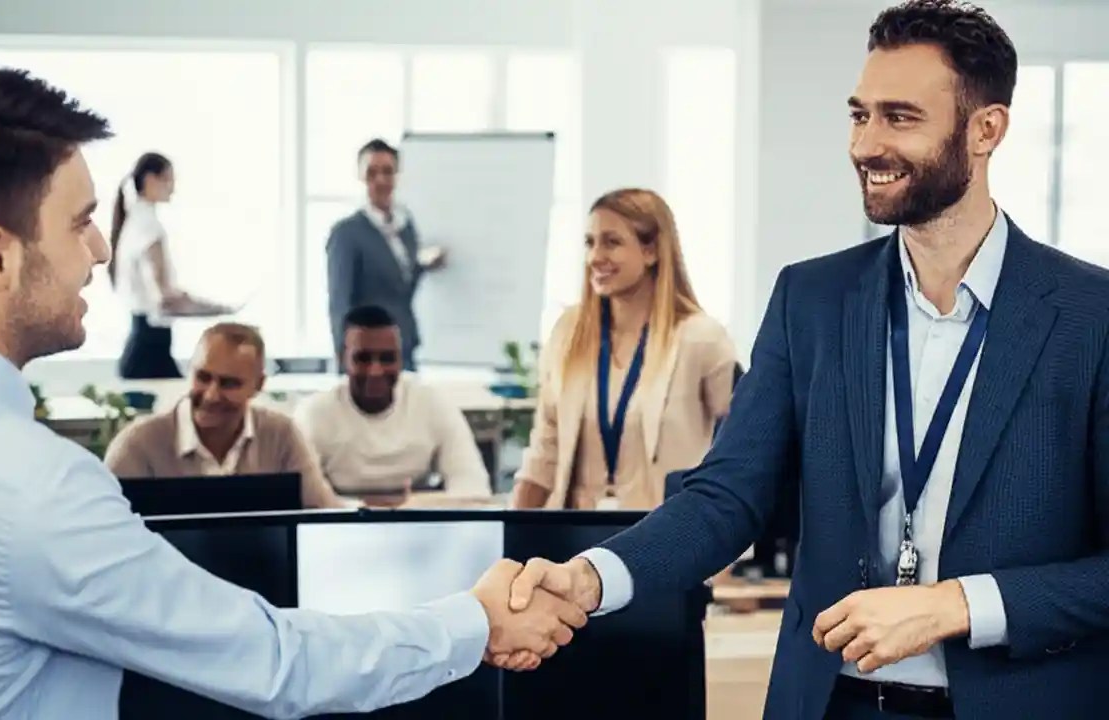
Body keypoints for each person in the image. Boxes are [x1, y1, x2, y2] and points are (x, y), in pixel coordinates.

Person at [0, 61, 585, 720]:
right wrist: (473, 622)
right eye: (82, 223)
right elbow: (278, 664)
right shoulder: (33, 487)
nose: (99, 251)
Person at [506, 2, 1109, 718]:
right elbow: (727, 496)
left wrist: (959, 605)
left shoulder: (1089, 316)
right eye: (860, 116)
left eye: (900, 118)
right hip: (830, 701)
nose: (867, 144)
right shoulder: (812, 300)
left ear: (987, 129)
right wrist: (594, 577)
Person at [511, 188, 737, 511]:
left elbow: (741, 456)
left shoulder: (701, 339)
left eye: (611, 242)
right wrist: (510, 543)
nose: (595, 257)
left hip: (662, 542)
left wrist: (722, 555)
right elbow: (544, 451)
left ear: (652, 251)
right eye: (589, 243)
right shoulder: (568, 334)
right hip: (572, 543)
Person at [104, 322, 352, 509]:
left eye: (229, 383)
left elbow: (322, 515)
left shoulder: (281, 435)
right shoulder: (138, 444)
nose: (211, 395)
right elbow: (105, 533)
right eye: (203, 377)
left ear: (258, 385)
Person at [295, 304, 492, 505]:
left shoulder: (431, 402)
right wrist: (374, 508)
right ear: (342, 359)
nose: (375, 371)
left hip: (419, 524)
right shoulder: (314, 413)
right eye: (363, 358)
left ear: (401, 359)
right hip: (337, 528)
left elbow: (473, 487)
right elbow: (303, 496)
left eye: (387, 358)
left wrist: (411, 506)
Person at [326, 138, 445, 372]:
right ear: (361, 177)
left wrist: (424, 267)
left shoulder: (406, 228)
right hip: (368, 355)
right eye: (372, 173)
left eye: (388, 172)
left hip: (404, 345)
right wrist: (344, 357)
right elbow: (340, 302)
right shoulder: (347, 232)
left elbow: (401, 288)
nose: (380, 180)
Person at [109, 151, 230, 379]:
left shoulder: (134, 223)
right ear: (149, 180)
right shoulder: (149, 228)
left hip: (145, 347)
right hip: (149, 352)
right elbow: (165, 298)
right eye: (168, 180)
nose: (172, 188)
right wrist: (217, 309)